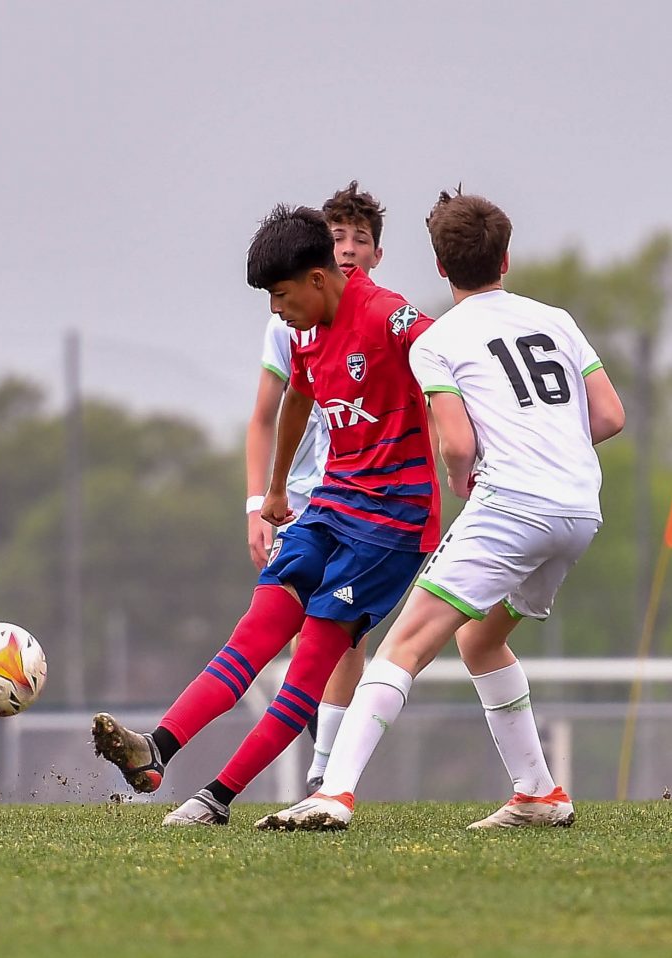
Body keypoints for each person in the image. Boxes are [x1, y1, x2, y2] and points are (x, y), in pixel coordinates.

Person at [256, 190, 626, 832]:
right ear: (506, 259)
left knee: (404, 641)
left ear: (438, 267)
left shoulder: (440, 337)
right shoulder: (557, 319)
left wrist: (463, 475)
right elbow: (611, 417)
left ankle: (331, 793)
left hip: (512, 505)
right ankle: (537, 792)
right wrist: (553, 451)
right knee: (479, 638)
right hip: (578, 510)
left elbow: (455, 442)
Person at [93, 203, 440, 825]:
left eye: (280, 295)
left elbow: (452, 356)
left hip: (392, 524)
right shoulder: (306, 332)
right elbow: (298, 398)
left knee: (309, 661)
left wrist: (472, 443)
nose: (276, 311)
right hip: (330, 505)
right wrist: (276, 490)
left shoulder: (391, 316)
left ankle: (217, 797)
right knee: (254, 633)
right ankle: (156, 750)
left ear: (316, 278)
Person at [245, 182, 386, 794]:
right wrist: (258, 503)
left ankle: (327, 771)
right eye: (339, 238)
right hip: (303, 500)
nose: (349, 248)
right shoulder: (288, 326)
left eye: (361, 239)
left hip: (364, 498)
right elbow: (263, 417)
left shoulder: (385, 322)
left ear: (377, 254)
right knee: (306, 630)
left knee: (343, 630)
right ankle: (325, 761)